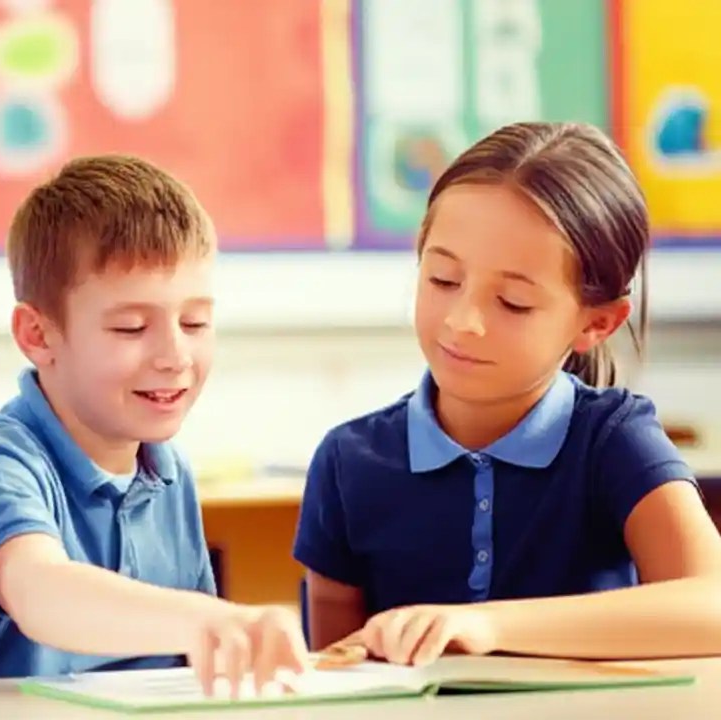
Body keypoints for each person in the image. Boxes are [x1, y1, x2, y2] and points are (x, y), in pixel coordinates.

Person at [295, 122, 721, 667]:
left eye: (514, 302)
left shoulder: (612, 441)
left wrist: (486, 625)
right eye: (443, 279)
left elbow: (711, 605)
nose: (463, 321)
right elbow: (335, 673)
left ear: (597, 323)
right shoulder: (348, 462)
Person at [0, 155, 310, 699]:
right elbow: (41, 593)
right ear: (37, 335)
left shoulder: (168, 472)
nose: (174, 356)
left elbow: (189, 671)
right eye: (131, 327)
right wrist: (212, 619)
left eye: (195, 322)